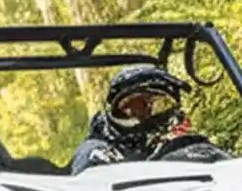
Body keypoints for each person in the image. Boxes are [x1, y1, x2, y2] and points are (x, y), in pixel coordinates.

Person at [70, 65, 227, 174]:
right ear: (114, 111)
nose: (144, 115)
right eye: (132, 106)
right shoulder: (96, 151)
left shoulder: (181, 144)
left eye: (159, 104)